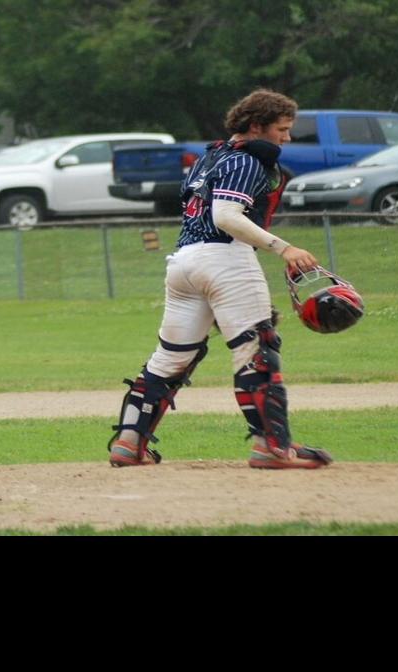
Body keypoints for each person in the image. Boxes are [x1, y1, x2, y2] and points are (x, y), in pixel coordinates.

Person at [106, 89, 334, 470]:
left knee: (171, 358)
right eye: (282, 129)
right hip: (226, 259)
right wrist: (284, 248)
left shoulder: (209, 157)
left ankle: (129, 443)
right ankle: (272, 447)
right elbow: (226, 217)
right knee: (256, 352)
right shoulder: (247, 160)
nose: (287, 138)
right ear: (256, 126)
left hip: (183, 262)